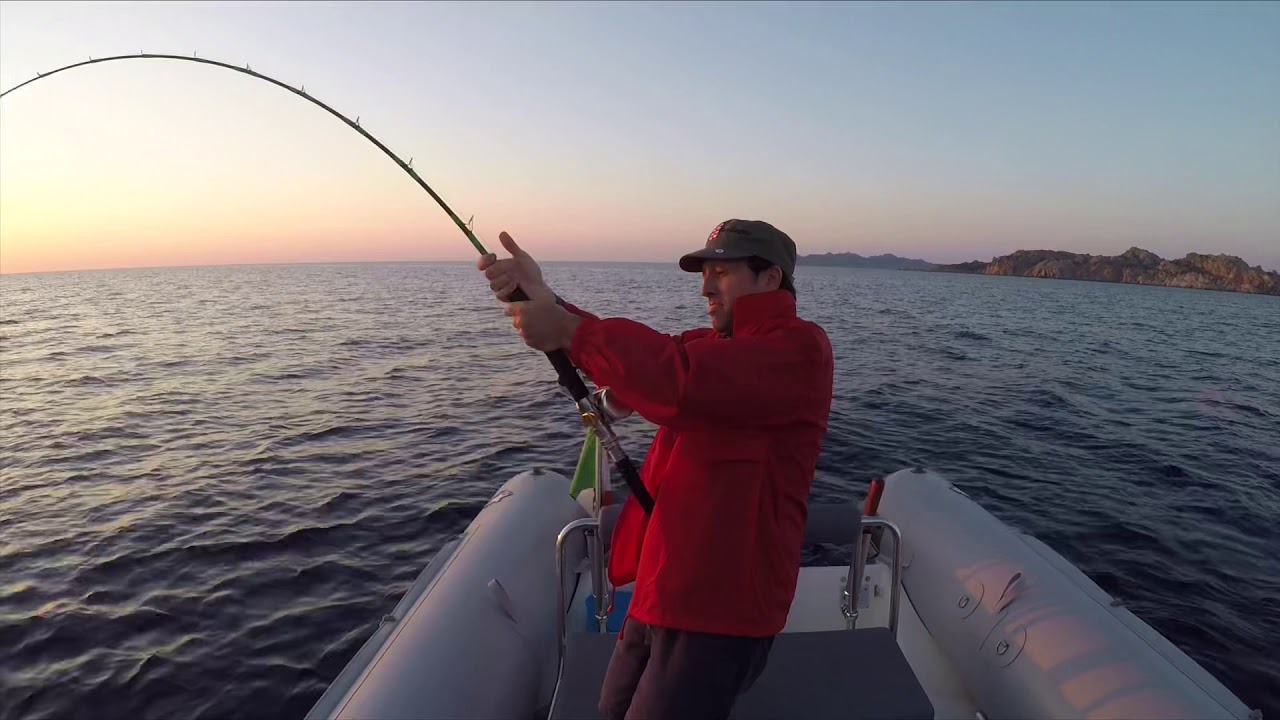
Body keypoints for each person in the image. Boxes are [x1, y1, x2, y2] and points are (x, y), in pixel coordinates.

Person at [477, 219, 834, 720]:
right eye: (704, 273)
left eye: (722, 273)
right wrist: (544, 298)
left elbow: (677, 380)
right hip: (663, 584)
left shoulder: (799, 351)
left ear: (771, 278)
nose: (706, 287)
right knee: (613, 709)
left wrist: (571, 334)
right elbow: (651, 357)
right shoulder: (715, 344)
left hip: (719, 609)